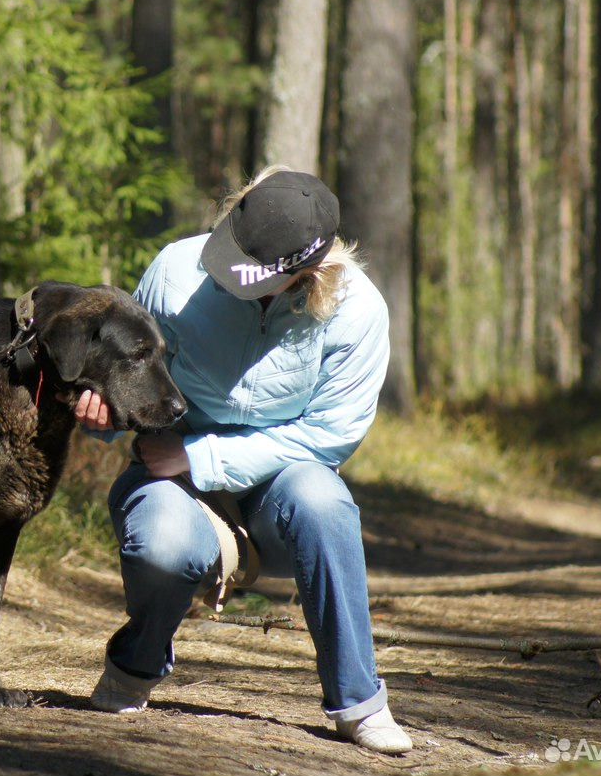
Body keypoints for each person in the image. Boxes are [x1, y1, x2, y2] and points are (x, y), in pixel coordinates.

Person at [75, 166, 412, 754]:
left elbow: (328, 436)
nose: (225, 272)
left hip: (275, 492)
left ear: (304, 273)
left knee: (324, 502)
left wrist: (198, 455)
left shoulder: (358, 314)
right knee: (161, 542)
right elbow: (127, 379)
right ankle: (134, 666)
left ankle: (359, 703)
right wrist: (99, 419)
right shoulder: (175, 272)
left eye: (246, 272)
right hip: (167, 475)